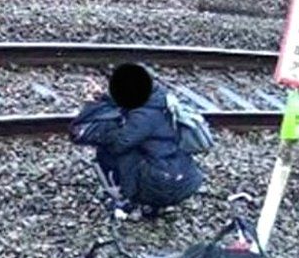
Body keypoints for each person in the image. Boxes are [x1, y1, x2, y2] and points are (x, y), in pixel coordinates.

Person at [70, 63, 203, 218]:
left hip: (163, 184)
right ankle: (150, 202)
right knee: (138, 149)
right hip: (178, 175)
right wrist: (102, 97)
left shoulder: (144, 115)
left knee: (112, 151)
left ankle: (127, 200)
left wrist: (107, 133)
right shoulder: (158, 100)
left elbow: (120, 144)